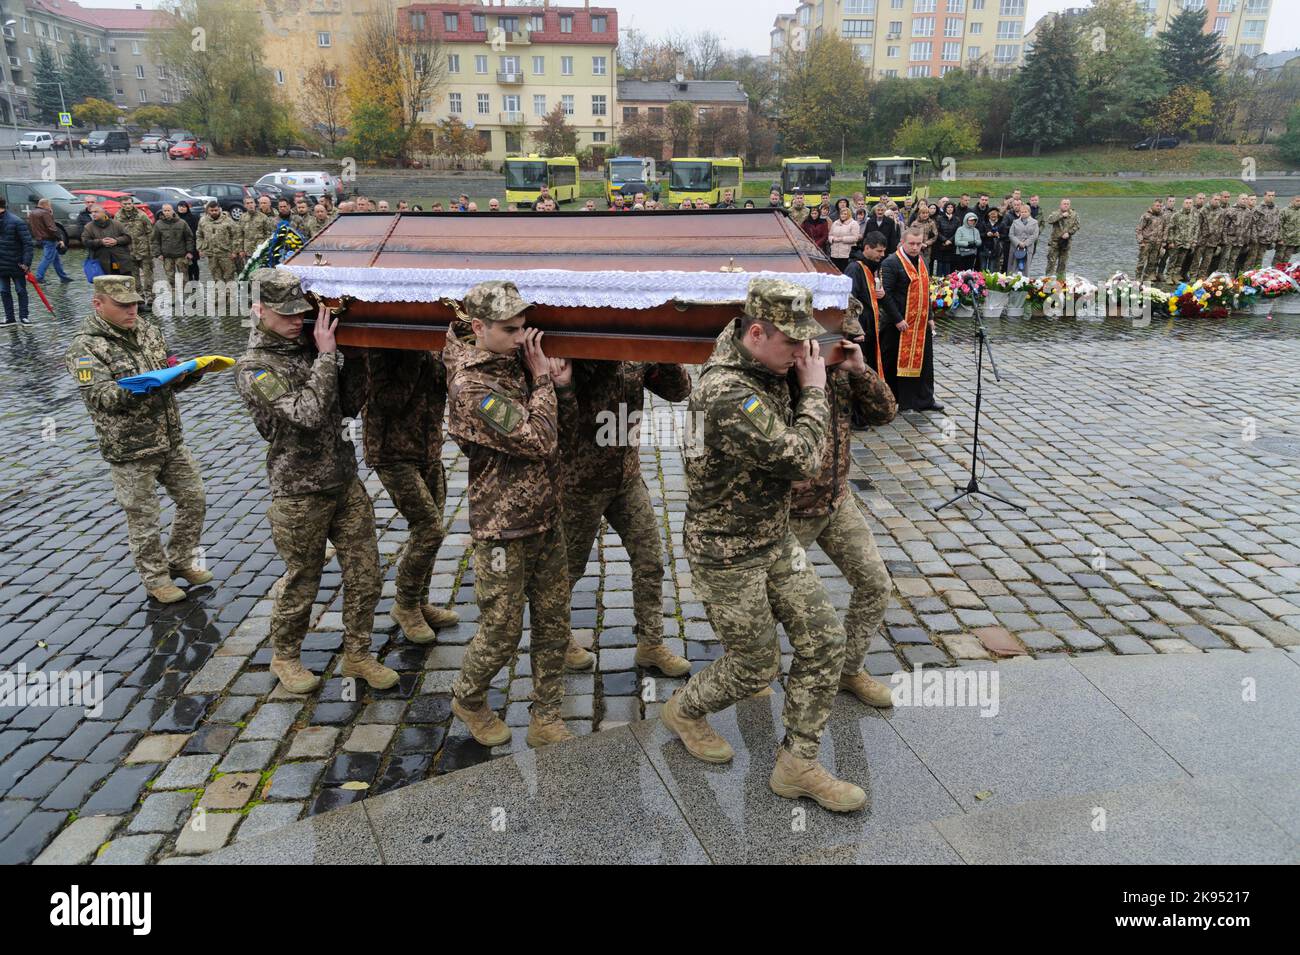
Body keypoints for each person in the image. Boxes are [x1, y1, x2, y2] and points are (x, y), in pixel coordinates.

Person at [661, 278, 866, 813]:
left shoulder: (765, 365)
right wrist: (815, 390)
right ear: (756, 332)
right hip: (727, 551)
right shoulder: (727, 392)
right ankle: (684, 709)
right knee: (755, 667)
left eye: (808, 344)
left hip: (773, 539)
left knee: (825, 641)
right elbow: (800, 460)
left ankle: (797, 763)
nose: (805, 353)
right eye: (794, 344)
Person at [234, 269, 397, 694]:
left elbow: (343, 407)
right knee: (303, 578)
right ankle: (285, 656)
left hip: (344, 480)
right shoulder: (255, 368)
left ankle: (359, 654)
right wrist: (326, 356)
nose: (296, 321)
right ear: (259, 310)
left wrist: (357, 356)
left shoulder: (306, 345)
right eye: (286, 314)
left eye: (301, 313)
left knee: (366, 572)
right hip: (298, 491)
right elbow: (306, 415)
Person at [444, 281, 574, 748]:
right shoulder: (471, 385)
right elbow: (536, 439)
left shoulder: (512, 361)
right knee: (501, 632)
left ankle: (547, 715)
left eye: (525, 328)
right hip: (502, 527)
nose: (523, 338)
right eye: (511, 329)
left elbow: (558, 429)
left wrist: (559, 386)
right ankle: (468, 697)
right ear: (478, 328)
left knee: (555, 620)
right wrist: (543, 381)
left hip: (545, 515)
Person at [64, 275, 210, 602]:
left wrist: (188, 373)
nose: (132, 310)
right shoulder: (85, 347)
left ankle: (181, 559)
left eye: (134, 304)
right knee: (144, 518)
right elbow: (101, 397)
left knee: (194, 498)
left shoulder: (147, 329)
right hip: (130, 448)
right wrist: (147, 385)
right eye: (123, 306)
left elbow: (168, 370)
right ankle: (156, 579)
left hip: (170, 438)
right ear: (98, 304)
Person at [788, 297, 897, 713]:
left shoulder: (845, 369)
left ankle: (848, 669)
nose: (859, 338)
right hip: (791, 513)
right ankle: (751, 673)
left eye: (858, 334)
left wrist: (860, 370)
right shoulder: (784, 372)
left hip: (836, 502)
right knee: (770, 601)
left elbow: (886, 412)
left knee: (875, 584)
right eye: (850, 335)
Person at [558, 358, 693, 678]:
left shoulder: (636, 351)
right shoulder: (579, 347)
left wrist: (664, 352)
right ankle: (557, 640)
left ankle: (651, 643)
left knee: (650, 559)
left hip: (626, 478)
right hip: (580, 481)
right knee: (566, 570)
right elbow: (558, 403)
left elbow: (679, 392)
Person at [340, 347, 461, 645]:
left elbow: (440, 392)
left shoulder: (430, 344)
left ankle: (420, 601)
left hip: (427, 448)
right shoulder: (383, 350)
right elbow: (385, 402)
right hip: (392, 453)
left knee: (434, 528)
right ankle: (405, 605)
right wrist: (415, 359)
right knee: (428, 529)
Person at [879, 227, 941, 413]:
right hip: (898, 324)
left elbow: (925, 290)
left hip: (920, 324)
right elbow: (885, 295)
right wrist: (897, 319)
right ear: (902, 242)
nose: (915, 248)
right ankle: (902, 400)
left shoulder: (922, 261)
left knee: (924, 365)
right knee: (896, 365)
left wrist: (929, 316)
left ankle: (924, 399)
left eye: (918, 244)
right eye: (911, 244)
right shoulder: (891, 262)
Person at [116, 196, 155, 310]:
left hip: (144, 251)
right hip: (129, 252)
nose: (127, 206)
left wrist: (151, 250)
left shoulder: (141, 215)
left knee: (148, 276)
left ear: (132, 203)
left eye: (129, 204)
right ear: (121, 205)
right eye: (125, 204)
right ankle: (139, 299)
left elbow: (150, 232)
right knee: (134, 277)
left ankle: (151, 297)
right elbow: (118, 235)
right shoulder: (118, 217)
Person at [81, 203, 134, 282]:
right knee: (106, 288)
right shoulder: (89, 227)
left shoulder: (117, 224)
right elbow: (85, 242)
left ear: (103, 212)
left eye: (96, 212)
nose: (93, 214)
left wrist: (116, 241)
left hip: (121, 261)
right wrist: (100, 242)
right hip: (102, 262)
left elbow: (128, 238)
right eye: (92, 212)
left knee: (125, 286)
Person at [0, 197, 33, 326]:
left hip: (16, 264)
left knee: (20, 290)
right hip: (1, 265)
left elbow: (27, 244)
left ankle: (24, 316)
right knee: (3, 291)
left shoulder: (16, 222)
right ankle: (9, 318)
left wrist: (26, 263)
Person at [28, 197, 71, 284]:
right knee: (47, 259)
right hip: (49, 239)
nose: (50, 207)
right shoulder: (45, 213)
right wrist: (59, 239)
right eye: (50, 205)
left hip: (40, 238)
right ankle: (39, 277)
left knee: (56, 259)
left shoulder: (32, 213)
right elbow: (51, 227)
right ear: (46, 205)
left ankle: (63, 277)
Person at [151, 204, 195, 288]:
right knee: (170, 278)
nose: (167, 212)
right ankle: (174, 295)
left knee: (184, 278)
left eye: (169, 210)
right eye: (165, 211)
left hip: (181, 255)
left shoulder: (182, 223)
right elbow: (155, 240)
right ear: (162, 211)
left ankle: (186, 295)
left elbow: (189, 238)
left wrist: (189, 251)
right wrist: (158, 253)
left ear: (173, 211)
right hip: (166, 256)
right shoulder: (158, 224)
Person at [196, 201, 240, 282]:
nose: (214, 212)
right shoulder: (203, 221)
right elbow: (199, 235)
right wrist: (200, 248)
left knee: (229, 276)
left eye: (216, 210)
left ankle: (229, 294)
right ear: (208, 211)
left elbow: (236, 236)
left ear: (219, 209)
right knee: (216, 277)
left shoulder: (228, 221)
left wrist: (234, 251)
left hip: (226, 254)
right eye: (212, 211)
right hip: (211, 254)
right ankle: (220, 294)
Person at [1161, 197, 1200, 285]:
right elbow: (1171, 229)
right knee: (1172, 260)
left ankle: (1175, 276)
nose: (1188, 204)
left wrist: (1194, 241)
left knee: (1180, 262)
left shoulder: (1195, 216)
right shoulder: (1176, 215)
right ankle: (1168, 276)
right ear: (1183, 203)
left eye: (1190, 203)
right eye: (1186, 203)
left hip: (1187, 243)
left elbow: (1196, 229)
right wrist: (1170, 241)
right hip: (1176, 242)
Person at [1045, 199, 1080, 278]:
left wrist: (1069, 232)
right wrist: (1061, 216)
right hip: (1055, 242)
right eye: (1064, 204)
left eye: (1067, 204)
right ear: (1060, 205)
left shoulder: (1074, 214)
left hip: (1066, 243)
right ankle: (1047, 281)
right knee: (1051, 263)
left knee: (1063, 264)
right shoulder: (1055, 213)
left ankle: (1060, 282)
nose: (1066, 205)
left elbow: (1077, 226)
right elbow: (1049, 220)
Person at [1217, 194, 1250, 275]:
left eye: (1246, 199)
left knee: (1233, 259)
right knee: (1225, 258)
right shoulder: (1230, 210)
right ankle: (1221, 276)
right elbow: (1224, 226)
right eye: (1243, 199)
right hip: (1230, 239)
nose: (1244, 200)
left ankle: (1229, 276)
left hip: (1240, 240)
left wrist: (1246, 240)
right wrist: (1224, 240)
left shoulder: (1248, 212)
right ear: (1238, 199)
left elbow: (1248, 227)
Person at [1135, 200, 1166, 284]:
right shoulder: (1146, 216)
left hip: (1157, 244)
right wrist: (1140, 241)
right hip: (1146, 243)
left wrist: (1163, 242)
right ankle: (1138, 278)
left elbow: (1164, 230)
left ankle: (1146, 278)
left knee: (1152, 262)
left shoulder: (1162, 217)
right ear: (1153, 206)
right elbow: (1139, 229)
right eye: (1157, 206)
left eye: (1160, 206)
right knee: (1141, 261)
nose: (1159, 207)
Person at [1191, 195, 1222, 280]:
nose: (1217, 201)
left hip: (1213, 241)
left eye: (1218, 199)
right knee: (1196, 260)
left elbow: (1221, 226)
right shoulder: (1203, 210)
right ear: (1211, 199)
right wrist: (1195, 239)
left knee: (1207, 261)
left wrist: (1219, 241)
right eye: (1215, 199)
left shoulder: (1221, 211)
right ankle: (1193, 276)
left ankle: (1201, 276)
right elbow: (1197, 225)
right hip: (1202, 240)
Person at [1249, 190, 1281, 270]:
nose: (1271, 197)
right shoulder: (1258, 208)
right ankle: (1246, 278)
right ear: (1264, 196)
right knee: (1250, 260)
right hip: (1257, 239)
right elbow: (1252, 224)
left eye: (1273, 195)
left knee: (1260, 260)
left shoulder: (1276, 208)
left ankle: (1257, 277)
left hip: (1267, 239)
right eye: (1269, 195)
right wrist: (1254, 238)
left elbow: (1277, 224)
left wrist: (1274, 238)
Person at [1008, 205, 1039, 276]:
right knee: (1013, 266)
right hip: (1015, 247)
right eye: (1022, 212)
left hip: (1028, 247)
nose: (1023, 213)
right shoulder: (1015, 222)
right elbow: (1011, 234)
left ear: (1029, 212)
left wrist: (1025, 243)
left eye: (1025, 212)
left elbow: (1035, 235)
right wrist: (1018, 243)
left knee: (1026, 267)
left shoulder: (1034, 222)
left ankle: (1025, 282)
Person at [175, 201, 201, 281]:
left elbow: (196, 231)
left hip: (192, 243)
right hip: (180, 245)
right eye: (180, 206)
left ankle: (196, 280)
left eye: (184, 206)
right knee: (184, 265)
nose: (182, 208)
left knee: (193, 264)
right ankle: (189, 281)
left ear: (187, 208)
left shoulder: (193, 218)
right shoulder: (175, 218)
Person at [828, 205, 858, 271]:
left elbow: (855, 238)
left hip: (846, 254)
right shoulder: (835, 223)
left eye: (845, 214)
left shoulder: (854, 223)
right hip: (834, 253)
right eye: (841, 214)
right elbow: (830, 235)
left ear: (849, 214)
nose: (843, 215)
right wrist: (832, 239)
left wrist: (842, 239)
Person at [934, 201, 959, 277]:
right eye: (948, 207)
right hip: (941, 245)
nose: (950, 209)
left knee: (948, 265)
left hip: (951, 246)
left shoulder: (957, 219)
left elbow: (957, 232)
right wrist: (945, 240)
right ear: (945, 208)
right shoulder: (939, 218)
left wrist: (950, 240)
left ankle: (947, 282)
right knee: (940, 264)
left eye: (951, 207)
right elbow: (937, 231)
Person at [979, 208, 1007, 272]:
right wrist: (986, 234)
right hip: (984, 247)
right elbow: (979, 234)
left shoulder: (1002, 224)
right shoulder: (983, 223)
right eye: (991, 214)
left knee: (993, 268)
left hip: (996, 249)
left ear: (998, 215)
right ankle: (982, 281)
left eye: (995, 214)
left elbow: (1005, 235)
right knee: (983, 267)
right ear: (988, 215)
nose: (993, 216)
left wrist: (998, 235)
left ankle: (992, 280)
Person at [1277, 195, 1300, 265]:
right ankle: (1274, 274)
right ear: (1292, 201)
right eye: (1297, 201)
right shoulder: (1285, 210)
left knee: (1286, 260)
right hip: (1284, 240)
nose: (1299, 203)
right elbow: (1278, 225)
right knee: (1278, 260)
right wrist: (1280, 239)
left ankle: (1283, 274)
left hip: (1294, 241)